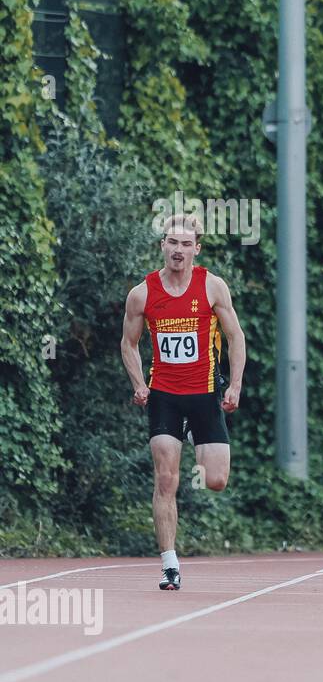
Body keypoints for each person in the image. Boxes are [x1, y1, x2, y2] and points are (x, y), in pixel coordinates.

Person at [120, 213, 246, 590]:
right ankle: (169, 564)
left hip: (206, 394)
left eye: (186, 244)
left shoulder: (212, 287)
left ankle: (195, 434)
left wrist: (235, 385)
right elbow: (128, 343)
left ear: (197, 249)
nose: (178, 250)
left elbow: (236, 337)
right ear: (162, 245)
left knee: (216, 479)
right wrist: (139, 383)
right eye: (172, 242)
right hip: (165, 397)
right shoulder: (142, 294)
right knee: (165, 479)